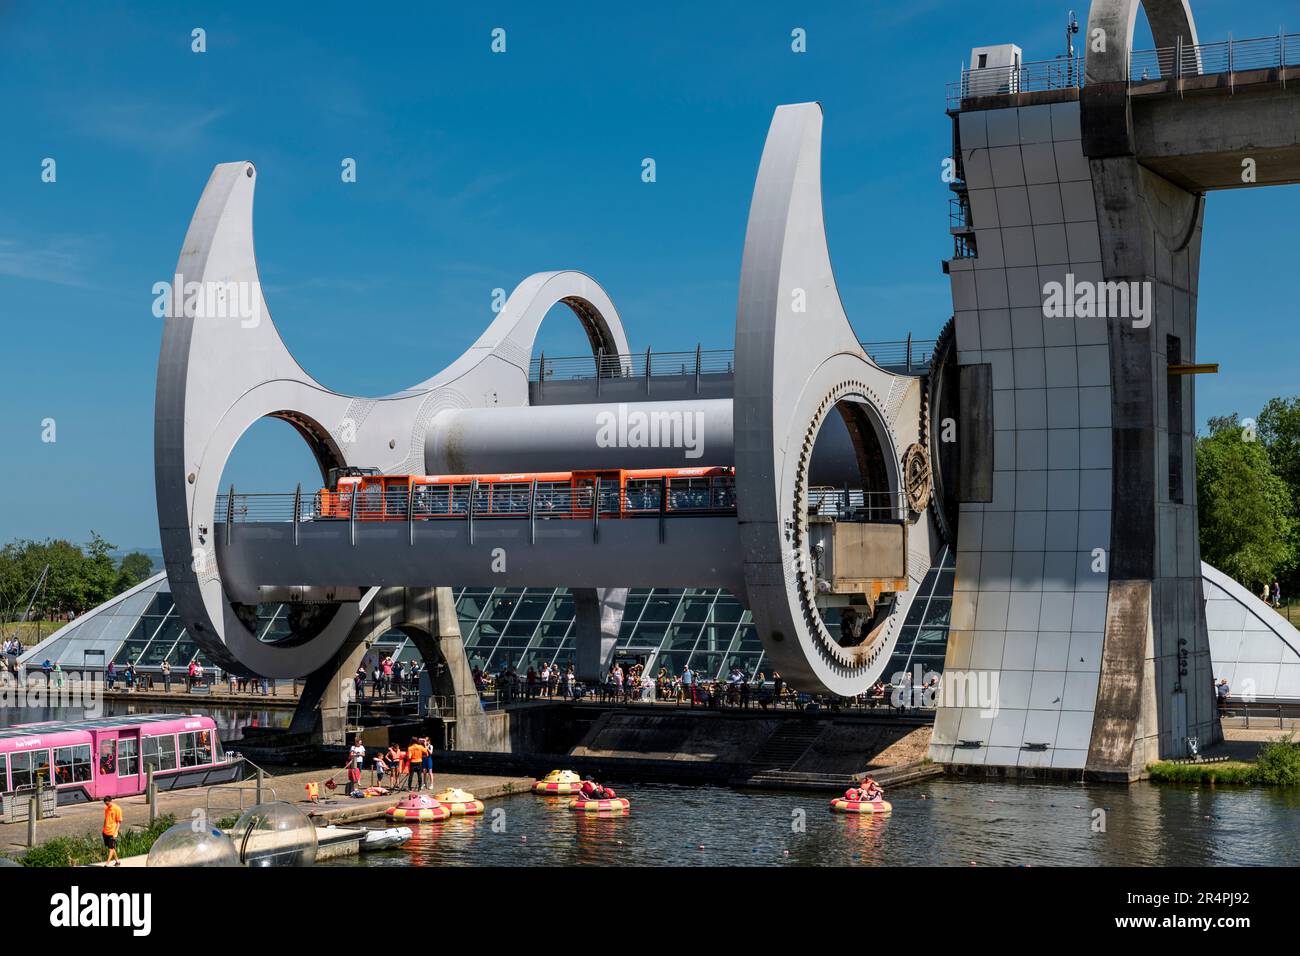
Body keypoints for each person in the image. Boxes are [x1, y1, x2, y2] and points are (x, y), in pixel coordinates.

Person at [102, 796, 124, 866]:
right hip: (105, 831)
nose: (107, 805)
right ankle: (117, 861)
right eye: (106, 804)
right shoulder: (106, 809)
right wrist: (103, 828)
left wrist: (116, 832)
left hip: (112, 832)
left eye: (108, 804)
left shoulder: (117, 809)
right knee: (111, 847)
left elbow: (119, 821)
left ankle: (107, 864)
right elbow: (106, 819)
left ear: (111, 801)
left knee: (111, 849)